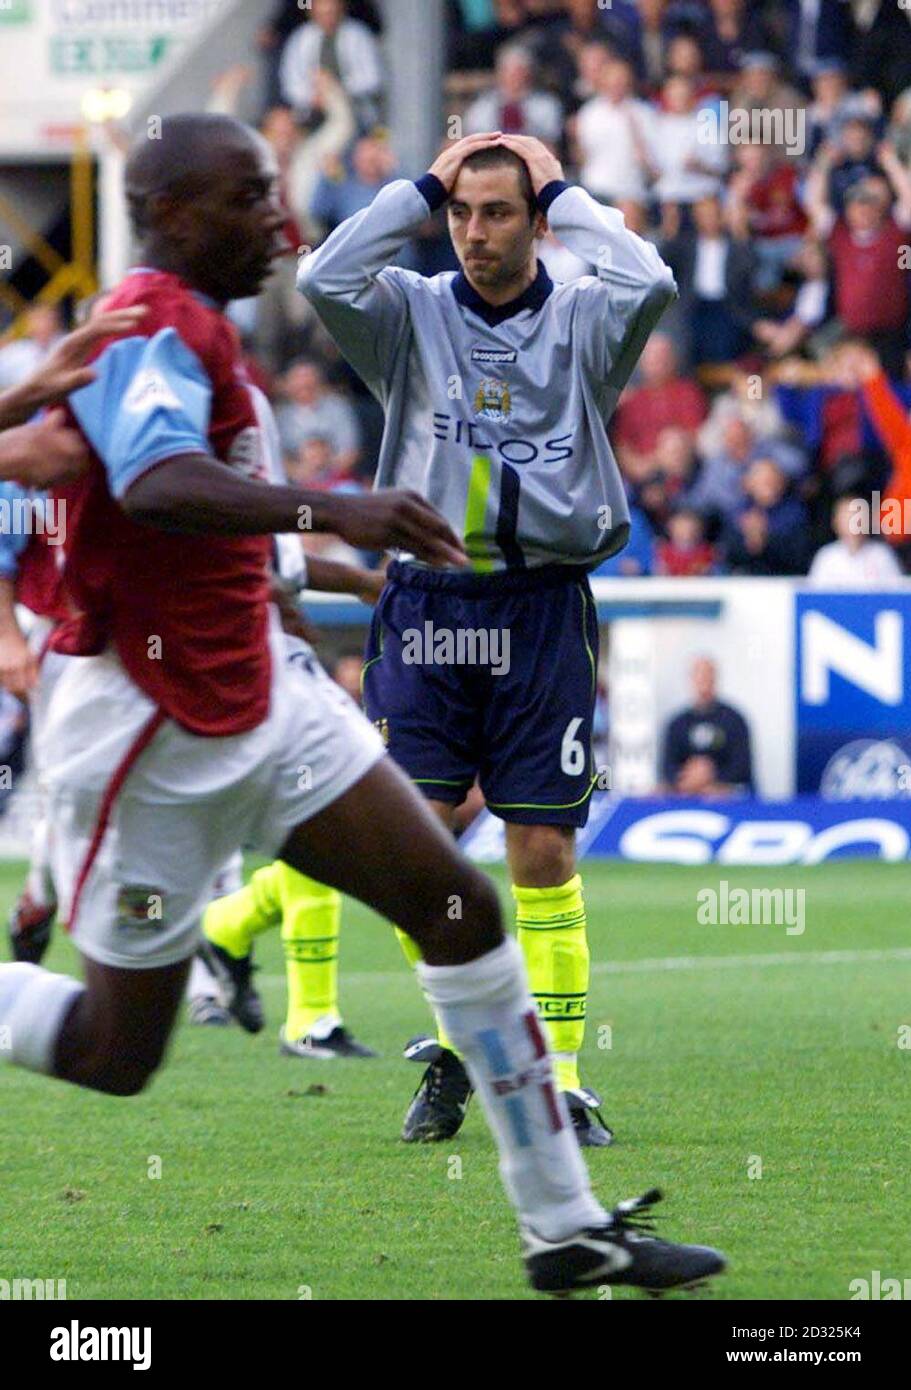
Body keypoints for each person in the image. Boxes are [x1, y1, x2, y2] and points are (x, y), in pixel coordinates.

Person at [0, 114, 724, 1298]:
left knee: (460, 905)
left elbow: (146, 484)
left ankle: (564, 1228)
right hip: (145, 721)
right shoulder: (148, 326)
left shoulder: (197, 331)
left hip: (268, 690)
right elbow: (163, 488)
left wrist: (325, 555)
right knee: (115, 1052)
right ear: (178, 215)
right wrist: (336, 510)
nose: (280, 222)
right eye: (251, 198)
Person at [297, 128, 678, 1150]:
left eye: (497, 210)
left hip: (540, 605)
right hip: (428, 606)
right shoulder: (409, 316)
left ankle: (554, 1074)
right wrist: (417, 186)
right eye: (459, 211)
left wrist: (566, 190)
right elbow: (322, 271)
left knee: (541, 848)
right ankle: (464, 1041)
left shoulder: (587, 319)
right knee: (414, 849)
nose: (472, 231)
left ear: (535, 218)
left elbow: (651, 278)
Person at [661, 656, 753, 796]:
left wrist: (712, 776)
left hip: (726, 795)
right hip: (686, 794)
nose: (703, 681)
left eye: (708, 675)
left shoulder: (734, 720)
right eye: (699, 676)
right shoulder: (677, 723)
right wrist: (690, 779)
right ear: (691, 679)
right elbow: (667, 767)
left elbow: (742, 766)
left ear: (715, 679)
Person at [809, 494, 904, 586]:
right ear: (836, 522)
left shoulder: (882, 555)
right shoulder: (826, 557)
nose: (854, 524)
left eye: (859, 518)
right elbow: (814, 597)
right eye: (848, 518)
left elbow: (897, 595)